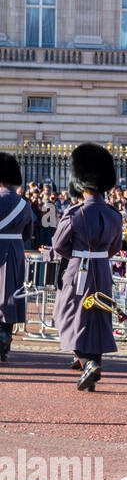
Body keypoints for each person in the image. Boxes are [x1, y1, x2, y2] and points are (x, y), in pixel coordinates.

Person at [52, 144, 122, 391]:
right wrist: (99, 258)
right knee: (97, 317)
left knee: (68, 315)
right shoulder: (115, 215)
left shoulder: (74, 212)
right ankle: (93, 367)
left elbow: (59, 245)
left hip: (78, 269)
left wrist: (77, 256)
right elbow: (115, 246)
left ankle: (86, 361)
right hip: (102, 269)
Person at [0, 152, 35, 361]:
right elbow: (28, 234)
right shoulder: (24, 203)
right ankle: (5, 336)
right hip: (14, 249)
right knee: (10, 295)